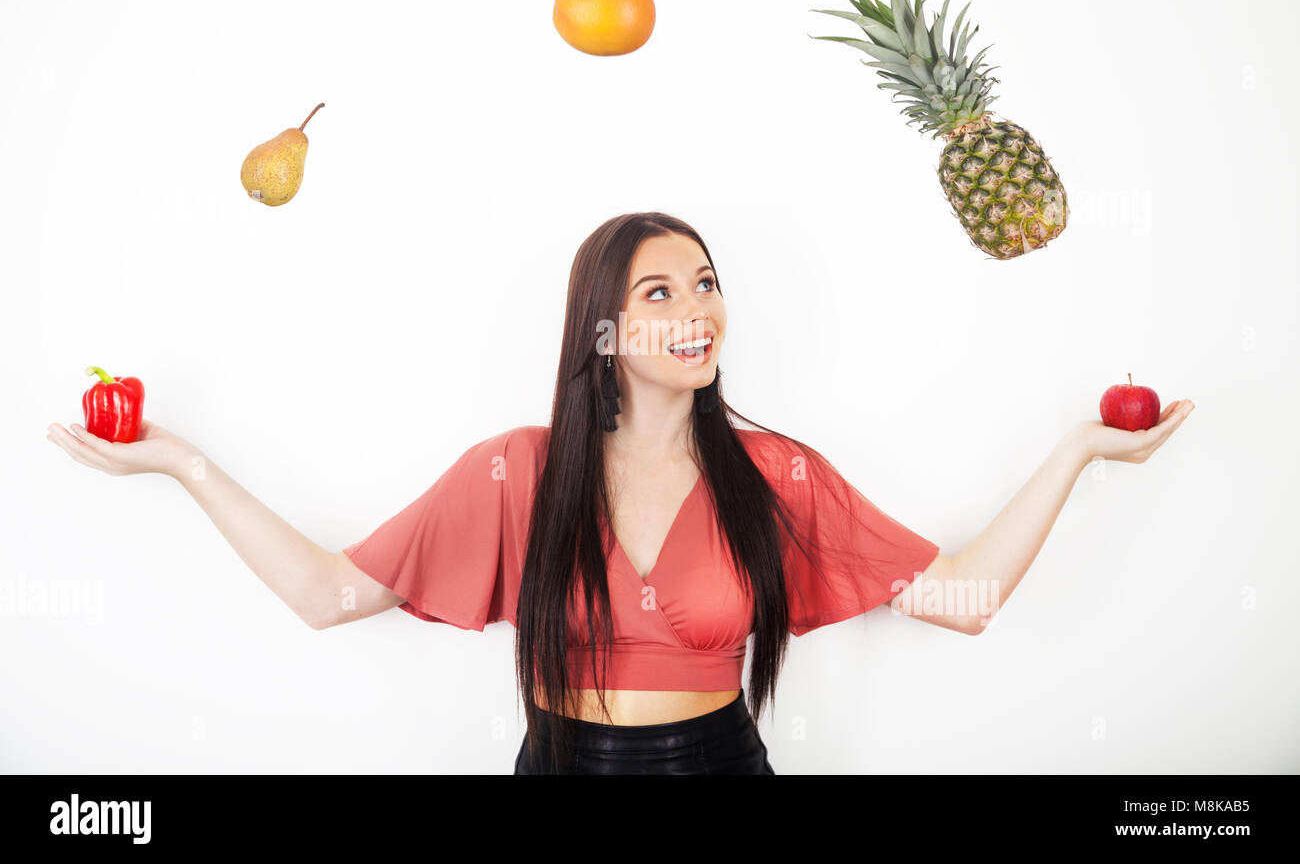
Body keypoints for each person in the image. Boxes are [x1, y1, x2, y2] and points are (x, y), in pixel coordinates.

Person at [45, 211, 1195, 774]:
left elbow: (963, 597)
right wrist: (182, 463)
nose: (694, 305)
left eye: (705, 282)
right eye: (657, 290)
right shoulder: (519, 467)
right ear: (604, 325)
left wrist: (1078, 450)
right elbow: (332, 593)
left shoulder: (776, 473)